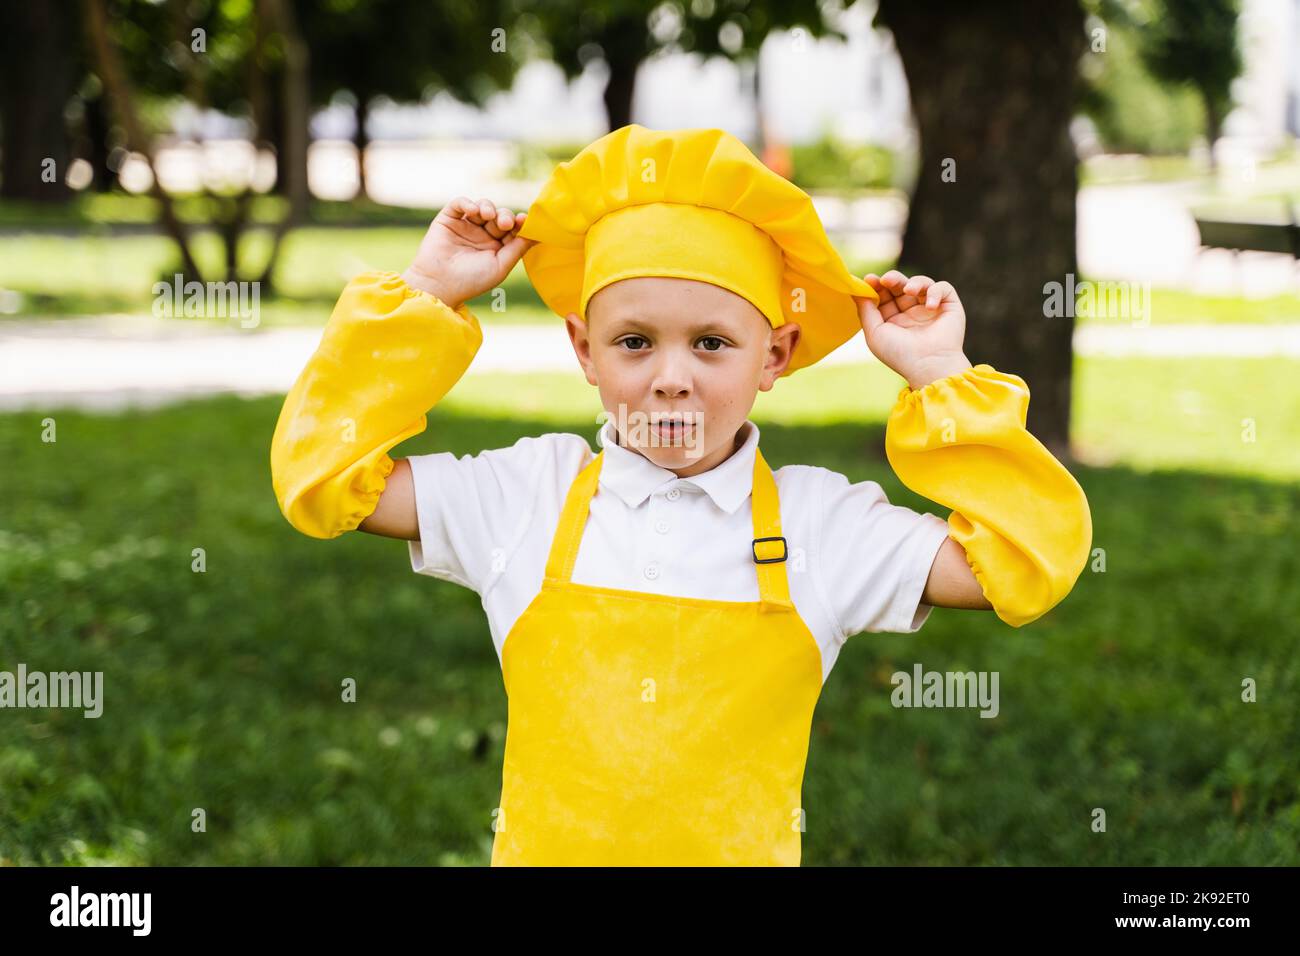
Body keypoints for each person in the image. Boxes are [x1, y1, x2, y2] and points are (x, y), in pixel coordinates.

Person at [270, 125, 1092, 866]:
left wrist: (941, 377)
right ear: (584, 350)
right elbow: (324, 479)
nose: (671, 379)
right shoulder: (527, 495)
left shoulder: (820, 526)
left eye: (711, 344)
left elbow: (1017, 565)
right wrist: (425, 293)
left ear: (774, 355)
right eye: (634, 343)